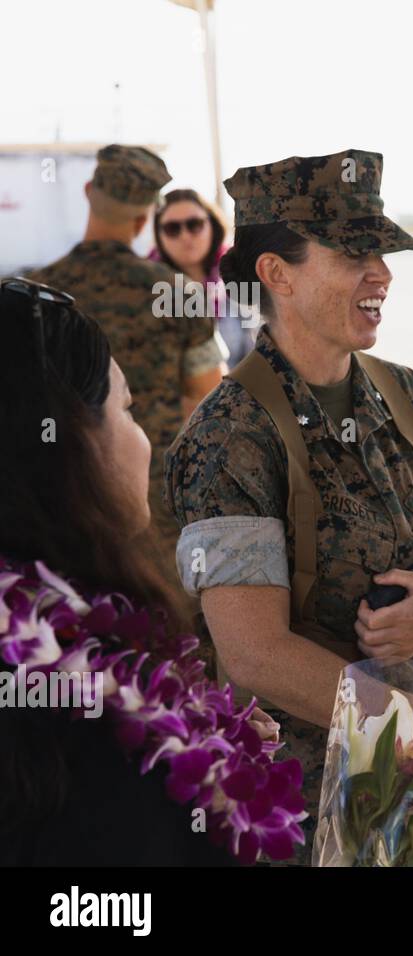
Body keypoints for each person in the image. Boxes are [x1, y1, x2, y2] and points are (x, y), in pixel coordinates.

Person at [165, 149, 413, 864]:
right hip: (291, 803)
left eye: (381, 252)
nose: (380, 273)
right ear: (276, 273)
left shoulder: (406, 395)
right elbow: (255, 654)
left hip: (408, 779)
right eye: (354, 254)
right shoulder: (232, 435)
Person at [0, 278, 294, 866]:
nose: (145, 442)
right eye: (127, 410)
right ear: (69, 446)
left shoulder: (47, 643)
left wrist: (202, 727)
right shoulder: (79, 715)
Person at [30, 146, 227, 572]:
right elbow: (208, 400)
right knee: (169, 624)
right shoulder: (178, 293)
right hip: (157, 499)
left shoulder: (39, 292)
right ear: (144, 219)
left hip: (64, 494)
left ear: (88, 192)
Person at [151, 187, 255, 367]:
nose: (185, 236)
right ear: (159, 235)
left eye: (194, 224)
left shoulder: (241, 277)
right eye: (172, 228)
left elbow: (257, 354)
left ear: (212, 225)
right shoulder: (144, 286)